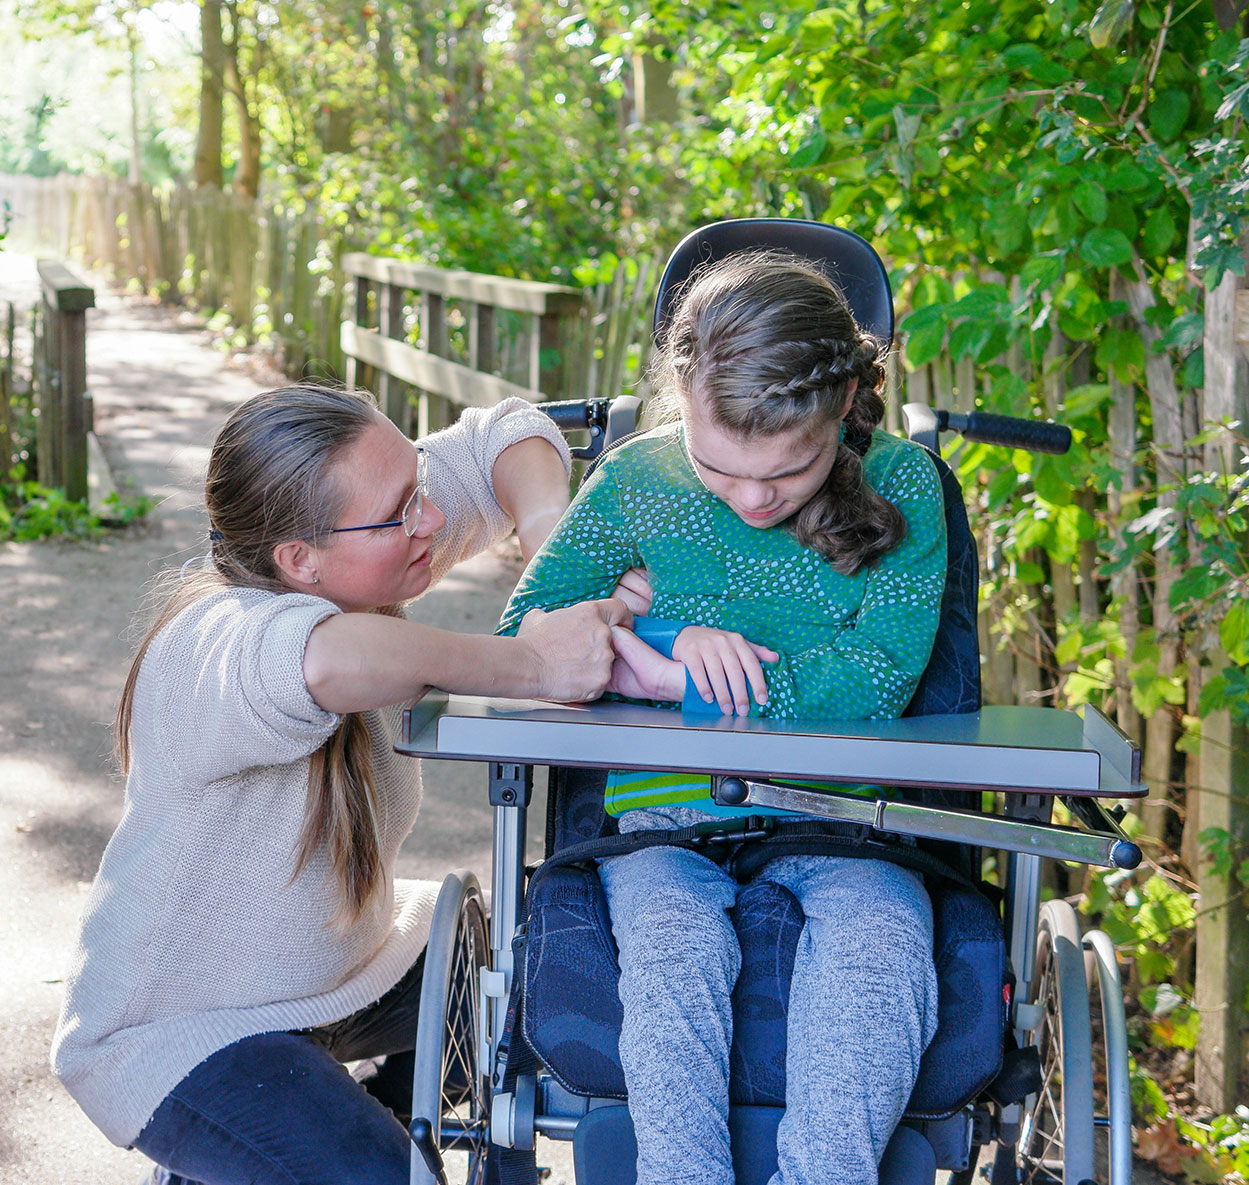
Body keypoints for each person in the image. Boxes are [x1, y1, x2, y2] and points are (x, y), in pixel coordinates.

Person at [52, 384, 633, 1185]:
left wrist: (557, 557)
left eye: (418, 491)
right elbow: (325, 658)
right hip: (183, 1033)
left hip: (335, 975)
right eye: (402, 512)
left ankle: (343, 1126)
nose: (430, 517)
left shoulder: (369, 536)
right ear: (299, 559)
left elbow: (505, 433)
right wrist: (531, 663)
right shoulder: (211, 636)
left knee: (558, 983)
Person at [498, 250, 949, 1185]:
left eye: (788, 472)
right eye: (717, 468)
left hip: (841, 815)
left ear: (844, 407)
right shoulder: (636, 478)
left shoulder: (905, 486)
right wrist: (654, 628)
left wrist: (673, 680)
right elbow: (525, 636)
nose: (750, 500)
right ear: (681, 398)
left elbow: (875, 680)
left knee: (882, 942)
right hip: (664, 810)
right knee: (673, 950)